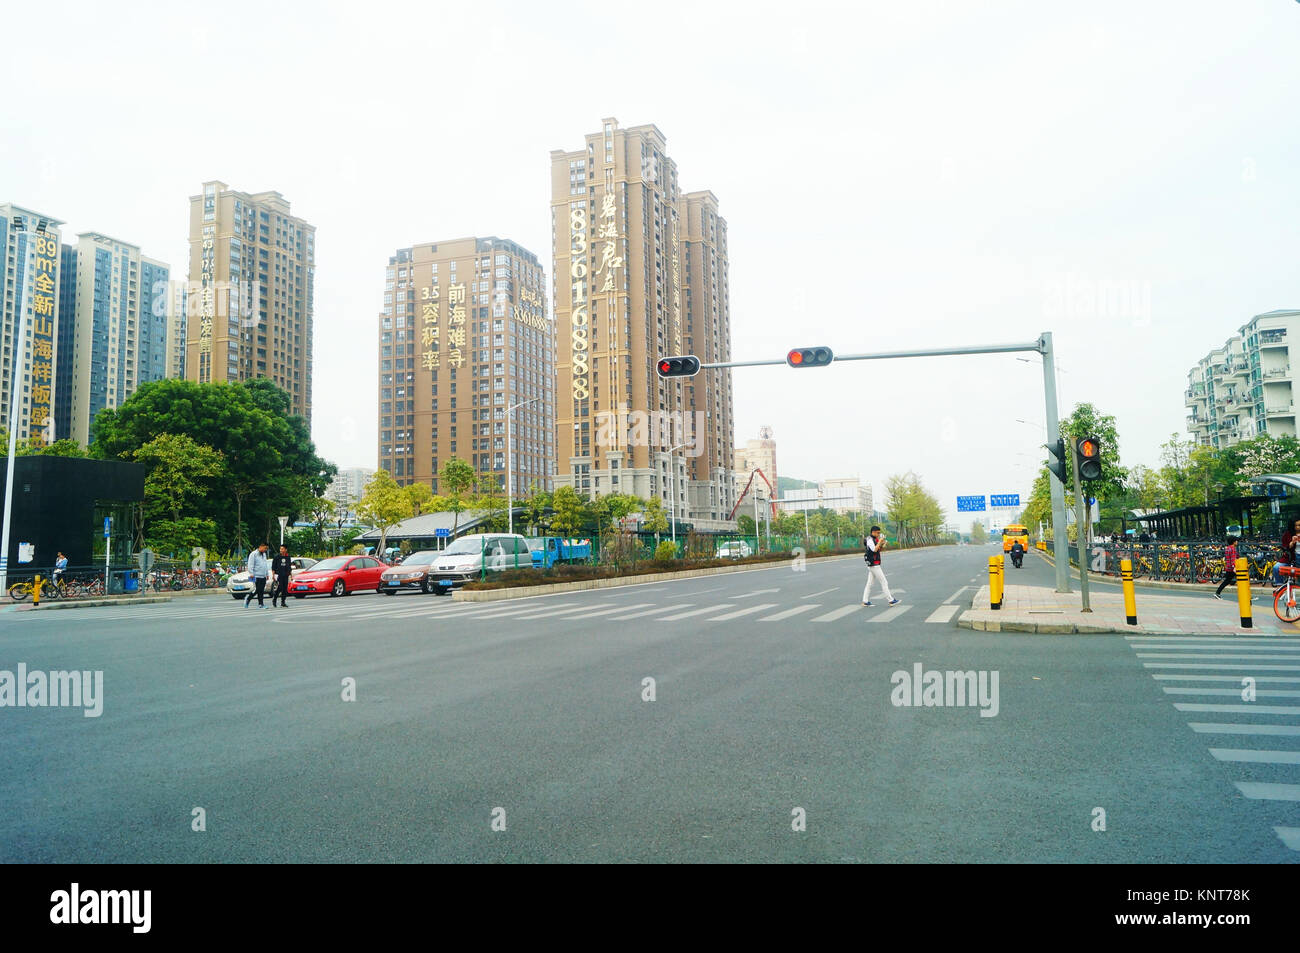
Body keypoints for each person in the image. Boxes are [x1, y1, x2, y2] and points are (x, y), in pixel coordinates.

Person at [861, 525, 900, 608]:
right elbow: (874, 549)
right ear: (873, 532)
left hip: (875, 563)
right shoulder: (869, 539)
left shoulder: (875, 539)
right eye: (878, 533)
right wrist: (880, 542)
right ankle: (891, 600)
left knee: (869, 584)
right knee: (884, 582)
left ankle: (865, 601)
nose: (879, 534)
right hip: (873, 564)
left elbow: (878, 549)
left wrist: (883, 544)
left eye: (879, 533)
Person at [244, 542, 270, 608]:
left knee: (261, 590)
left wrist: (267, 574)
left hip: (263, 575)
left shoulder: (264, 554)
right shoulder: (253, 554)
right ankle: (248, 598)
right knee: (257, 589)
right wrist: (251, 573)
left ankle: (261, 604)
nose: (265, 550)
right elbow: (250, 564)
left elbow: (265, 565)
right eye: (265, 548)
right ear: (261, 546)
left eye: (266, 549)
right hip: (256, 575)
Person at [1214, 535, 1239, 600]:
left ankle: (1217, 593)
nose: (1237, 542)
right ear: (1233, 542)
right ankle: (1247, 596)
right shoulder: (1233, 549)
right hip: (1233, 568)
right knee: (1243, 580)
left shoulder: (1227, 548)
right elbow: (1233, 559)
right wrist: (1234, 567)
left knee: (1226, 581)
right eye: (1236, 540)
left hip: (1228, 567)